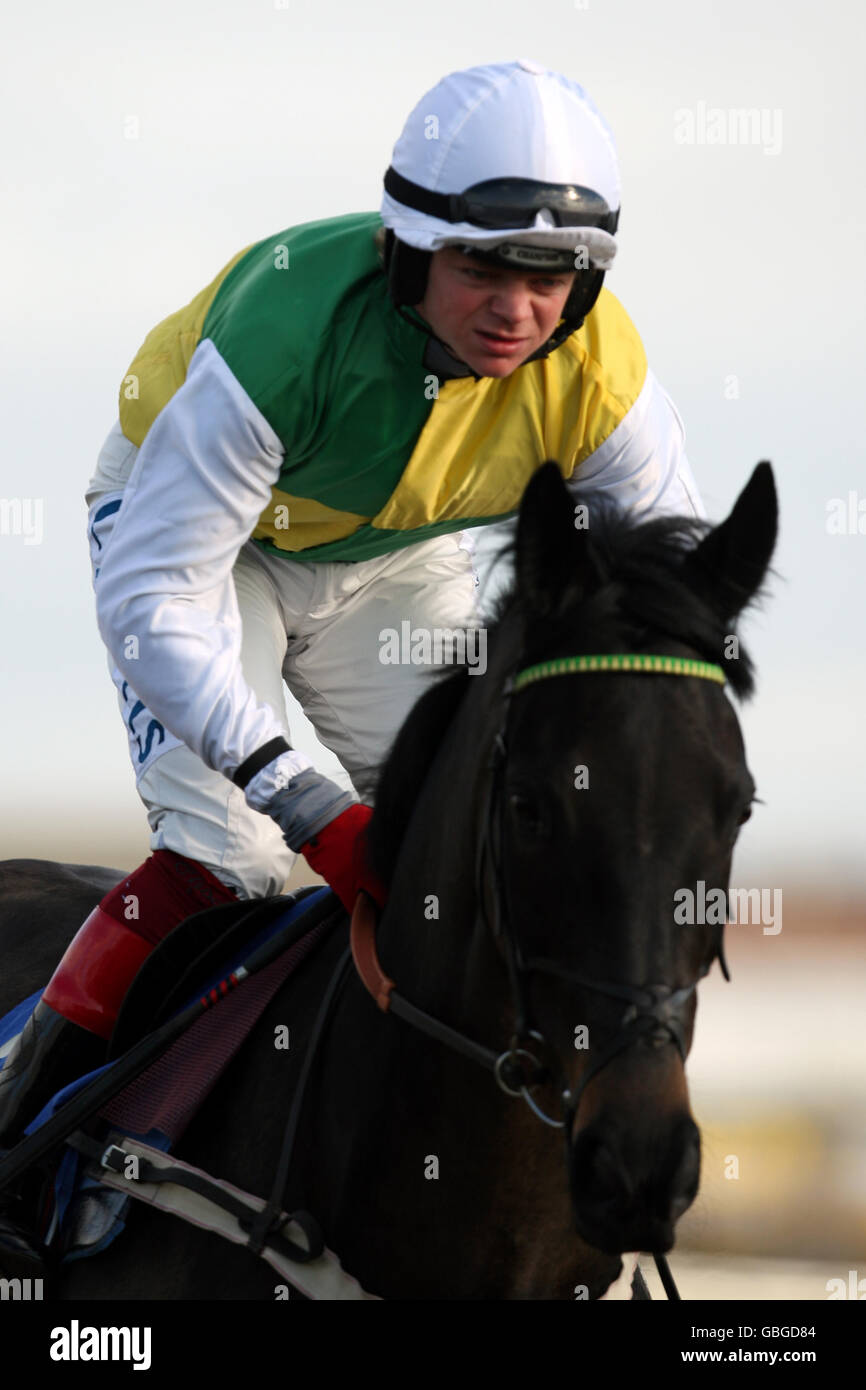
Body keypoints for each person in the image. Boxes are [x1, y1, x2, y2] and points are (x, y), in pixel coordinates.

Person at [0, 58, 703, 1270]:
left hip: (396, 560)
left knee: (481, 849)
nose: (515, 311)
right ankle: (23, 1134)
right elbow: (155, 600)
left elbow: (665, 606)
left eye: (549, 278)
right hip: (200, 556)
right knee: (237, 854)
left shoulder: (599, 372)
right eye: (479, 268)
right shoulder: (286, 334)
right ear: (405, 252)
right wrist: (307, 798)